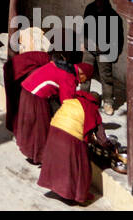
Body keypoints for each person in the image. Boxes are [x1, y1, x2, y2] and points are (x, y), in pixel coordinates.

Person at [37, 74, 115, 205]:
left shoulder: (72, 100)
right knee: (82, 167)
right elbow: (102, 139)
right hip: (70, 135)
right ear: (96, 103)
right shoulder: (92, 109)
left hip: (54, 129)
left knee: (58, 161)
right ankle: (79, 195)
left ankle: (58, 188)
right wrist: (111, 148)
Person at [15, 56, 81, 164]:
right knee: (40, 127)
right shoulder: (68, 76)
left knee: (31, 125)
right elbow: (67, 103)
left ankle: (30, 151)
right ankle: (40, 156)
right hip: (36, 97)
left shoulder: (55, 65)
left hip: (26, 90)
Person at [83, 0, 123, 115]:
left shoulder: (113, 16)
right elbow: (84, 27)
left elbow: (118, 37)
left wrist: (115, 53)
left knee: (106, 77)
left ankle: (108, 102)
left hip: (105, 51)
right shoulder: (90, 9)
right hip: (89, 48)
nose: (98, 2)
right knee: (84, 74)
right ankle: (83, 98)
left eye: (100, 0)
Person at [4, 48, 51, 134]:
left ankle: (12, 125)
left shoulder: (42, 57)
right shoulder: (48, 62)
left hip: (14, 68)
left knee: (12, 102)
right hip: (13, 71)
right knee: (14, 102)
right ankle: (14, 127)